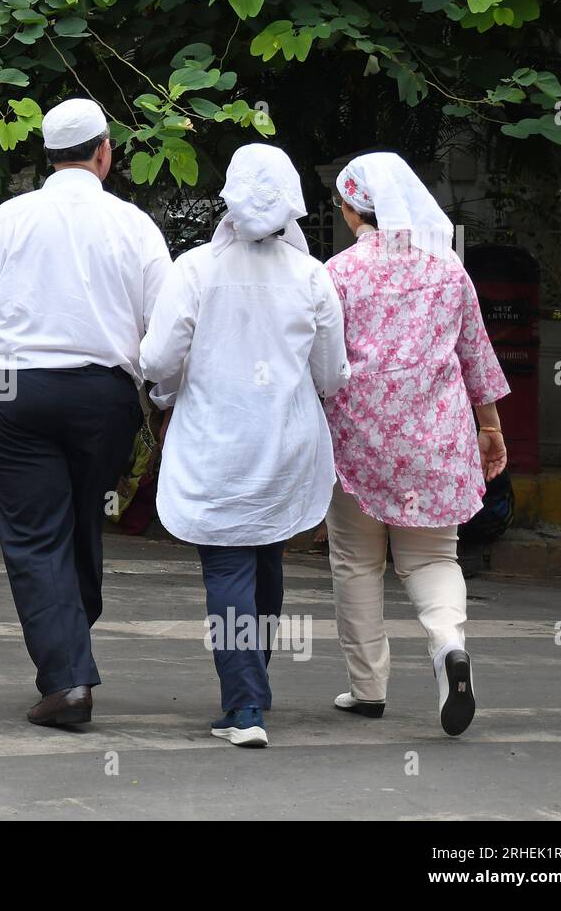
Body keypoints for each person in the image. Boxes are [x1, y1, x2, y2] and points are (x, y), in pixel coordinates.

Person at [0, 97, 171, 727]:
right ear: (104, 153)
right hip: (106, 396)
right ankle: (68, 657)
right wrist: (161, 396)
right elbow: (166, 325)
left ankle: (67, 675)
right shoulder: (136, 225)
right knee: (84, 523)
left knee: (37, 534)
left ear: (48, 157)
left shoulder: (9, 218)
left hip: (17, 391)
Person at [141, 144, 350, 748]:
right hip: (287, 441)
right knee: (265, 555)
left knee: (229, 562)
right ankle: (252, 690)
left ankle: (245, 707)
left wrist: (167, 388)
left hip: (215, 442)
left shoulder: (195, 270)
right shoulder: (312, 277)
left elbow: (157, 360)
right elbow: (332, 375)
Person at [324, 151, 509, 737]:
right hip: (436, 442)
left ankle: (368, 688)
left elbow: (322, 364)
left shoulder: (336, 274)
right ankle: (448, 645)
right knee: (432, 558)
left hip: (358, 443)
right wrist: (491, 427)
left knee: (356, 562)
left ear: (356, 210)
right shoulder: (448, 269)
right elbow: (476, 356)